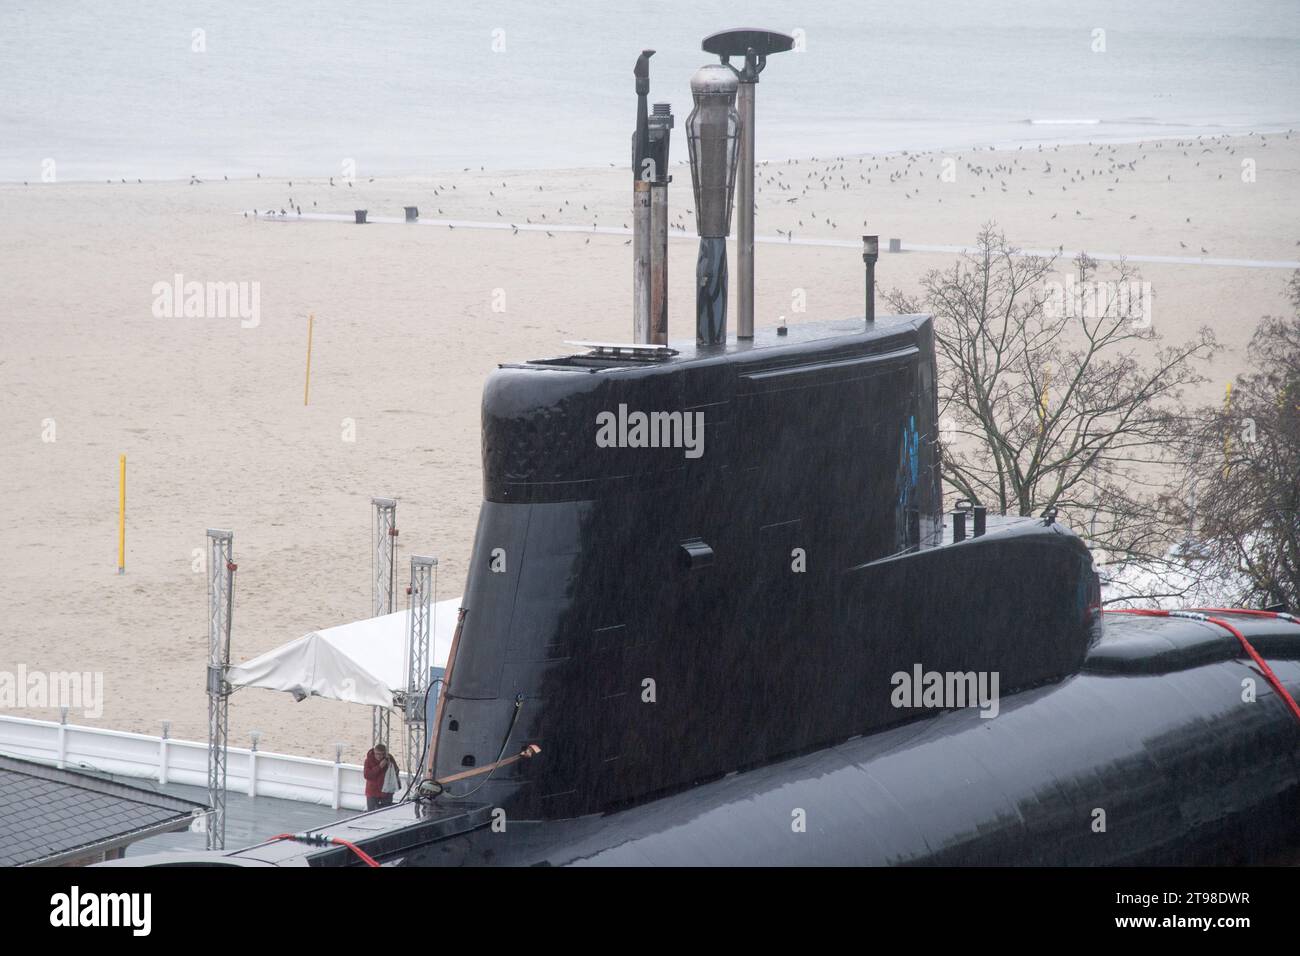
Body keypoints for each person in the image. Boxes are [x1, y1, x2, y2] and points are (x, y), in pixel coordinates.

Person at [363, 743, 401, 810]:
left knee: (386, 812)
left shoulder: (389, 758)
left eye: (382, 754)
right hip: (373, 792)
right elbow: (367, 775)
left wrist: (391, 766)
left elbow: (397, 771)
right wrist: (379, 767)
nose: (380, 756)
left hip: (387, 791)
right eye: (378, 754)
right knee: (372, 813)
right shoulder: (368, 760)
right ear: (374, 752)